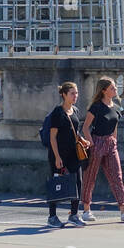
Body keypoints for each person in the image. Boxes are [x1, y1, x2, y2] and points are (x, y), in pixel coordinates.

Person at [79, 77, 124, 223]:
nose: (115, 90)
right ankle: (86, 209)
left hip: (111, 143)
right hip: (97, 141)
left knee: (116, 175)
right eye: (112, 88)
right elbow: (85, 127)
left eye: (115, 87)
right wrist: (91, 143)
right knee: (90, 176)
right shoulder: (96, 107)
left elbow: (115, 126)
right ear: (104, 90)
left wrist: (115, 140)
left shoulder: (116, 107)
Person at [46, 82, 91, 228]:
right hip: (59, 154)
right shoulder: (57, 113)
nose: (75, 96)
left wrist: (82, 139)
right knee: (56, 184)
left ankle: (73, 215)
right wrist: (57, 157)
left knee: (77, 182)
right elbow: (52, 137)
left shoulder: (75, 111)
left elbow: (75, 131)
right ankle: (52, 217)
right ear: (63, 95)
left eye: (76, 93)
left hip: (73, 154)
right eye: (72, 93)